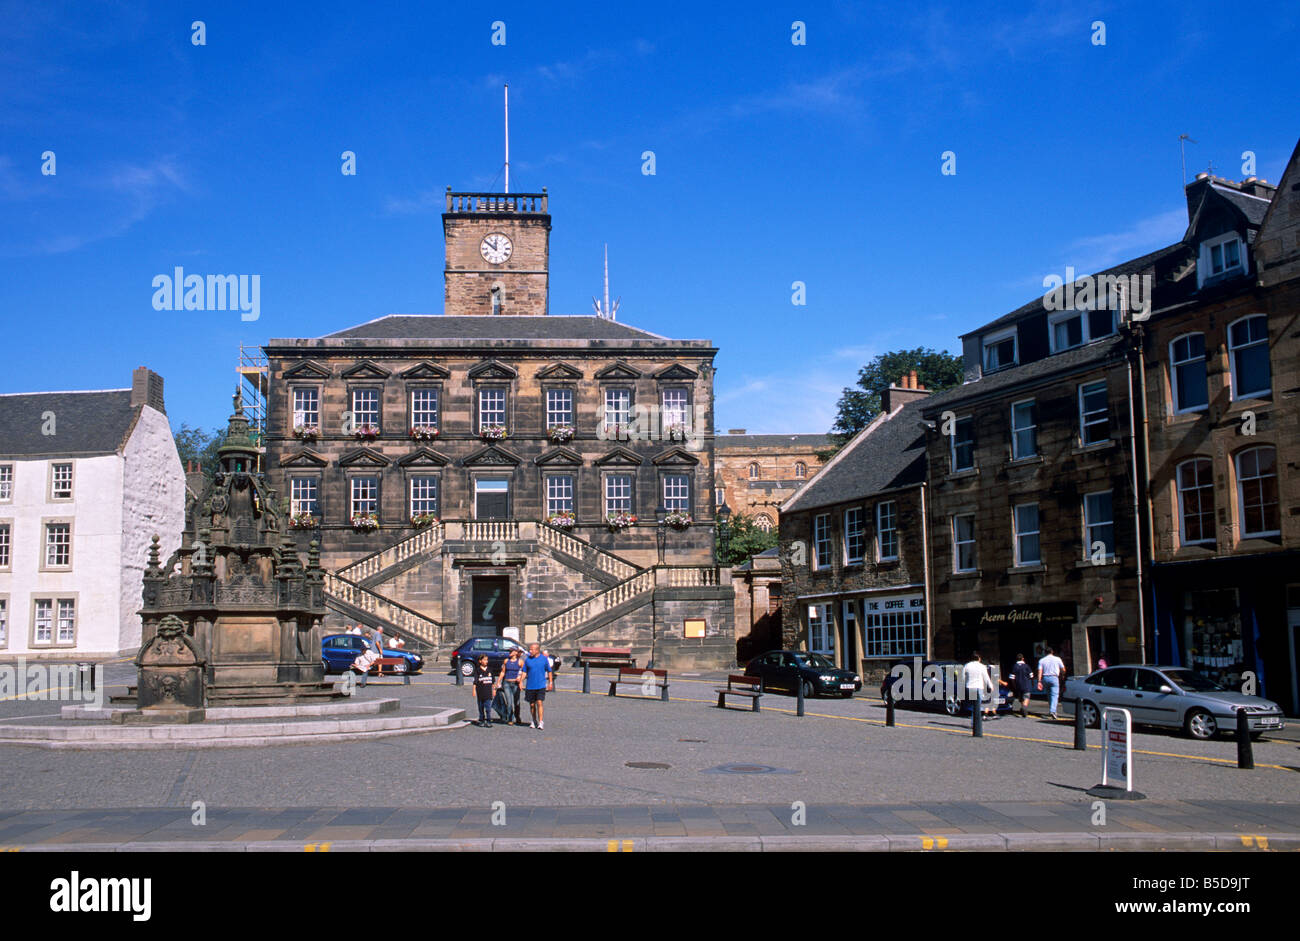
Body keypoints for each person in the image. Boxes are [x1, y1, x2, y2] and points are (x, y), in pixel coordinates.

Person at [522, 642, 553, 730]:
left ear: (537, 650)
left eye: (532, 649)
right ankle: (533, 720)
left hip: (540, 685)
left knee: (539, 702)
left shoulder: (544, 659)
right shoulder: (528, 660)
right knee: (532, 704)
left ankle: (541, 721)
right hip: (530, 685)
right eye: (529, 649)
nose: (530, 651)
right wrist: (521, 681)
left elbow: (549, 671)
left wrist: (550, 682)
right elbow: (524, 671)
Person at [962, 651, 996, 718]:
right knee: (978, 705)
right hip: (979, 687)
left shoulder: (967, 665)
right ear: (979, 658)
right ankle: (977, 722)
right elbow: (986, 677)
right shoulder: (982, 666)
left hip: (970, 687)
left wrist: (965, 684)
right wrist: (990, 685)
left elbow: (963, 677)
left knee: (973, 705)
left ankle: (973, 721)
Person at [496, 648, 525, 725]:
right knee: (509, 702)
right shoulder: (506, 661)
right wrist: (498, 681)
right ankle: (510, 718)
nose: (509, 652)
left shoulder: (520, 661)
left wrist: (520, 678)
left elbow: (524, 671)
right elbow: (503, 672)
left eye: (511, 651)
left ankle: (517, 716)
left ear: (515, 652)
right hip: (506, 683)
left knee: (516, 702)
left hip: (515, 683)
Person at [1037, 646, 1067, 719]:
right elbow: (1063, 669)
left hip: (1045, 678)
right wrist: (1062, 675)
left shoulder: (1042, 660)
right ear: (1052, 652)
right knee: (1055, 695)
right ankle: (1053, 711)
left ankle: (1052, 710)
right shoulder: (1057, 659)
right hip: (1054, 677)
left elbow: (1039, 671)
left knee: (1049, 695)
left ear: (1045, 652)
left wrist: (1039, 681)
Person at [470, 654, 496, 728]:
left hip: (488, 692)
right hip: (480, 692)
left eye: (487, 660)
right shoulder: (478, 670)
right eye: (484, 660)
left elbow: (493, 682)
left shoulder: (490, 670)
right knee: (481, 707)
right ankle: (481, 720)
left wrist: (494, 690)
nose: (486, 661)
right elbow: (475, 681)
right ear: (480, 661)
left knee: (488, 707)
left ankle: (488, 720)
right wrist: (474, 690)